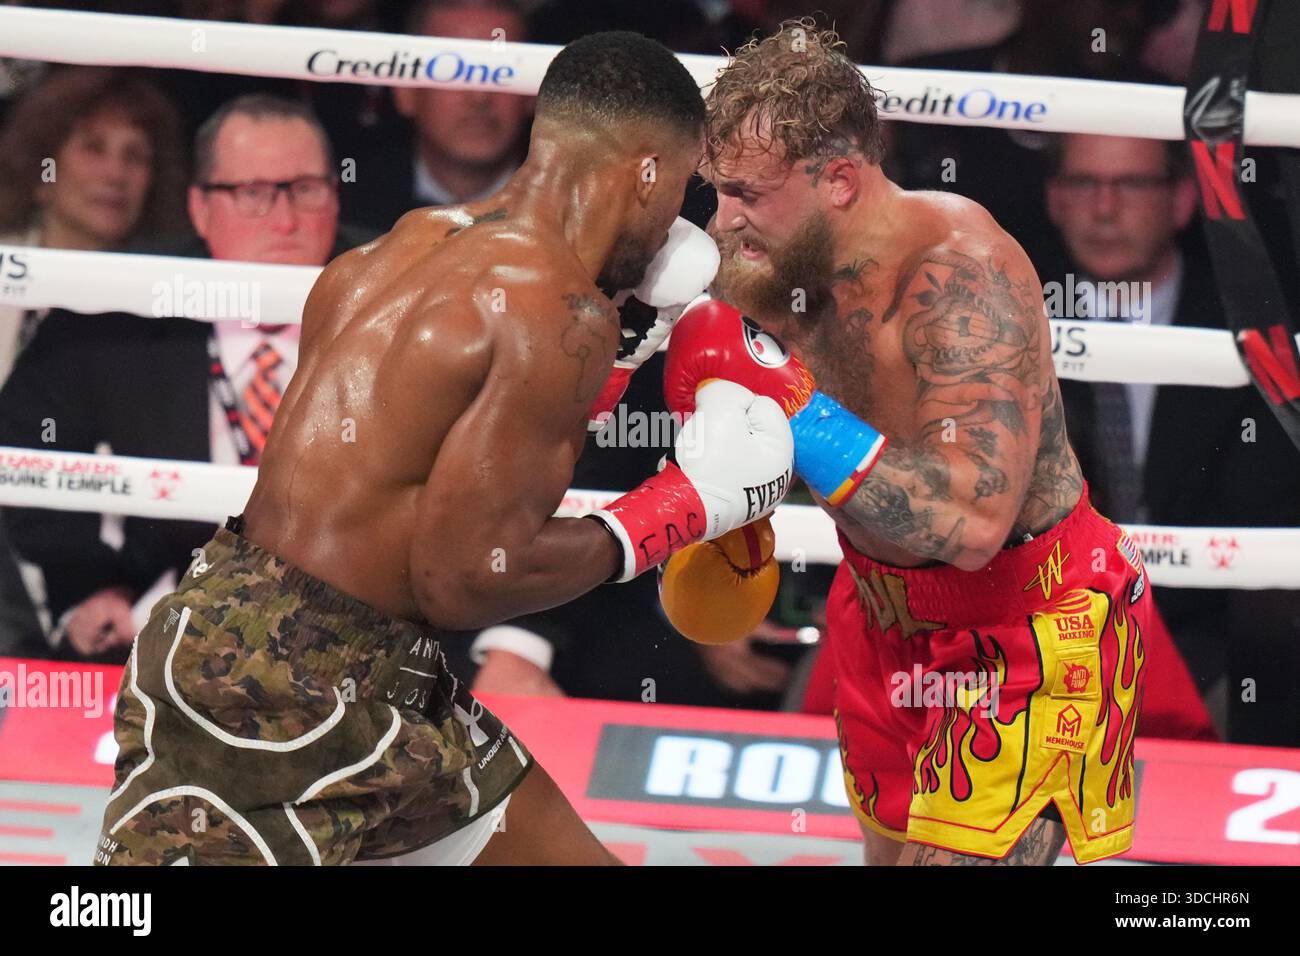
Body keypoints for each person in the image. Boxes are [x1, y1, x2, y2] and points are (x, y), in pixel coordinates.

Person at [95, 31, 794, 867]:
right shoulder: (557, 312)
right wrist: (692, 505)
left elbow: (427, 471)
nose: (683, 218)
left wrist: (617, 360)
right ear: (647, 171)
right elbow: (469, 575)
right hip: (276, 700)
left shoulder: (404, 244)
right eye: (684, 185)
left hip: (335, 656)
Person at [682, 20, 1153, 865]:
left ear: (839, 181)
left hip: (1030, 627)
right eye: (717, 190)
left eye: (747, 194)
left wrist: (792, 411)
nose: (723, 220)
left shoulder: (956, 275)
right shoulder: (766, 262)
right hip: (878, 615)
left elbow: (974, 524)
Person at [0, 94, 368, 665]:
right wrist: (84, 593)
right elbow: (24, 448)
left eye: (306, 190)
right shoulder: (116, 309)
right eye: (253, 194)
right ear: (200, 209)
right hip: (163, 639)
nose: (285, 220)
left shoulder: (399, 301)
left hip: (360, 638)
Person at [1044, 132, 1300, 746]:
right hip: (1047, 641)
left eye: (1131, 184)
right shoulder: (1006, 315)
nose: (1104, 209)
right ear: (1054, 198)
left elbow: (1267, 515)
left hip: (1220, 643)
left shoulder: (1256, 325)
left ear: (1183, 199)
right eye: (1084, 183)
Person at [0, 65, 187, 657]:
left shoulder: (160, 310)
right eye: (94, 148)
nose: (116, 173)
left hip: (70, 581)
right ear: (41, 167)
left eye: (136, 156)